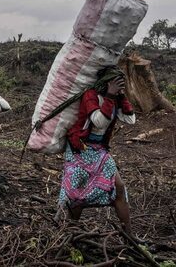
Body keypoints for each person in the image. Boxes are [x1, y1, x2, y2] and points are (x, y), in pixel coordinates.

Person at [59, 66, 136, 233]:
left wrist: (121, 97)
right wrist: (109, 96)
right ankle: (70, 233)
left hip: (99, 151)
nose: (120, 87)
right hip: (80, 149)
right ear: (107, 83)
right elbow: (99, 122)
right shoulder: (90, 96)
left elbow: (130, 119)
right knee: (76, 195)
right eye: (117, 84)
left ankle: (130, 237)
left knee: (119, 187)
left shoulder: (114, 98)